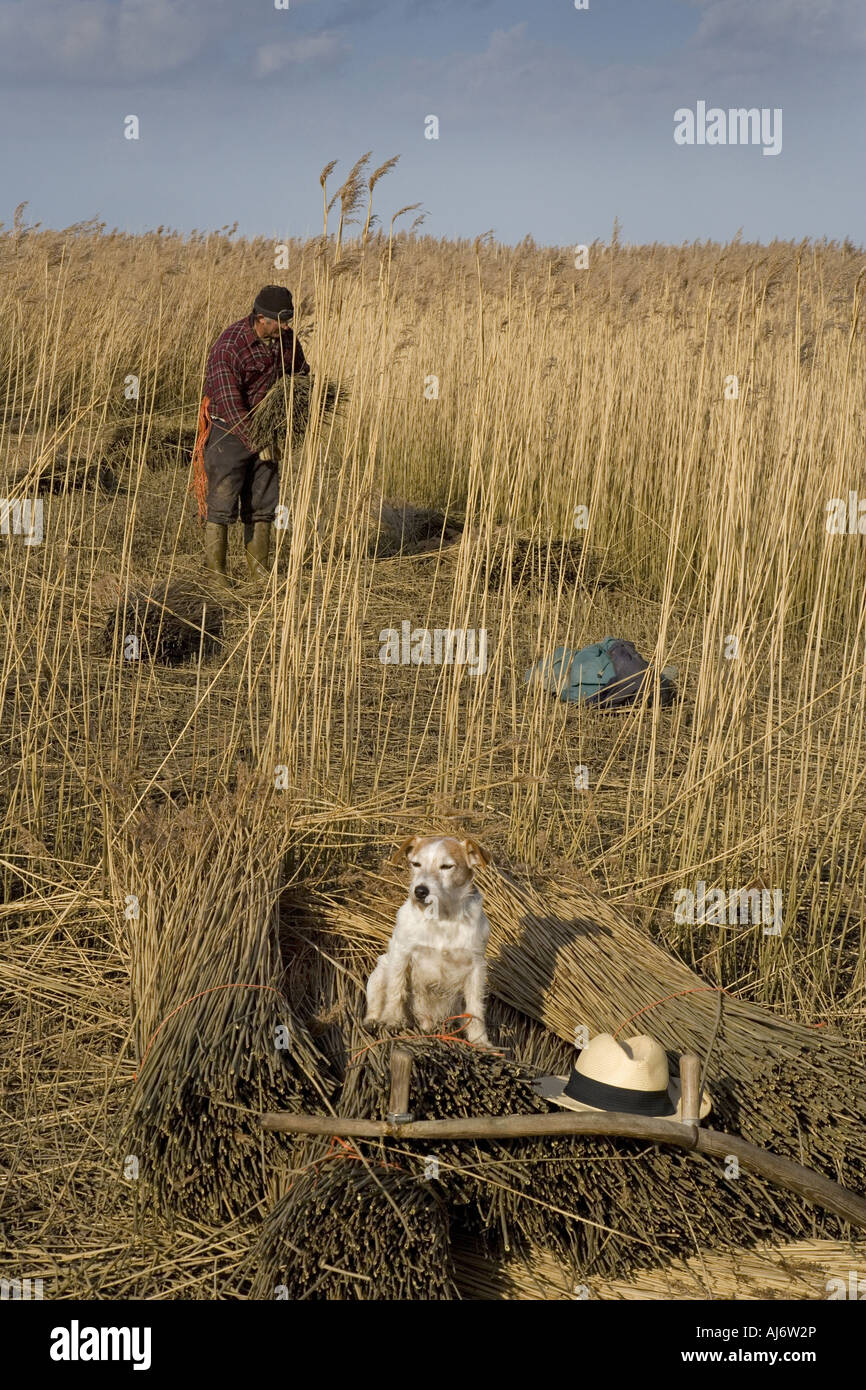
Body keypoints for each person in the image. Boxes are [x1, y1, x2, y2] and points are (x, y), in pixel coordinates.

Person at [198, 285, 309, 582]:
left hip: (267, 428)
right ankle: (215, 574)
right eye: (281, 322)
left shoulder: (286, 340)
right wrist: (256, 441)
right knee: (222, 502)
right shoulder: (229, 347)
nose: (287, 327)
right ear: (261, 318)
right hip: (229, 430)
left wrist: (294, 412)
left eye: (289, 321)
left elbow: (300, 374)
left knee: (263, 502)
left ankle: (259, 572)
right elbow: (231, 406)